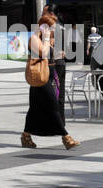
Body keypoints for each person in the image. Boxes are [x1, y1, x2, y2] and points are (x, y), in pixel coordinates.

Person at [21, 13, 79, 150]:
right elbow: (43, 53)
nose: (53, 30)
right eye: (51, 28)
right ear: (43, 27)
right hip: (40, 78)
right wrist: (47, 39)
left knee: (34, 109)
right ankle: (66, 138)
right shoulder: (34, 38)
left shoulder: (47, 39)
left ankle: (26, 136)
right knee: (54, 106)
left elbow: (49, 55)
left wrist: (57, 52)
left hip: (49, 75)